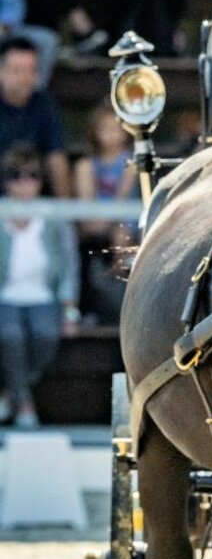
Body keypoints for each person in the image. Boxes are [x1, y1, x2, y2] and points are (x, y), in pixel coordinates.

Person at [0, 143, 76, 429]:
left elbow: (69, 266)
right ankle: (26, 404)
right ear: (6, 181)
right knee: (10, 337)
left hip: (43, 296)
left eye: (31, 176)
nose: (24, 184)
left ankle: (12, 394)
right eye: (16, 177)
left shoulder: (52, 216)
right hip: (4, 296)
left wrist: (69, 311)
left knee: (45, 336)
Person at [73, 105, 138, 325]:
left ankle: (120, 309)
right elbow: (87, 205)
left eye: (116, 128)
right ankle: (94, 308)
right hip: (96, 224)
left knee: (123, 234)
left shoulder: (131, 163)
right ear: (95, 132)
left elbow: (122, 200)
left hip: (124, 223)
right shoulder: (86, 165)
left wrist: (109, 223)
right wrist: (98, 223)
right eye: (105, 128)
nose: (111, 134)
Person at [0, 39, 64, 194]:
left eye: (31, 70)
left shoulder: (44, 104)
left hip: (34, 204)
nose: (25, 78)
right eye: (17, 70)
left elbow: (56, 157)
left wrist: (66, 212)